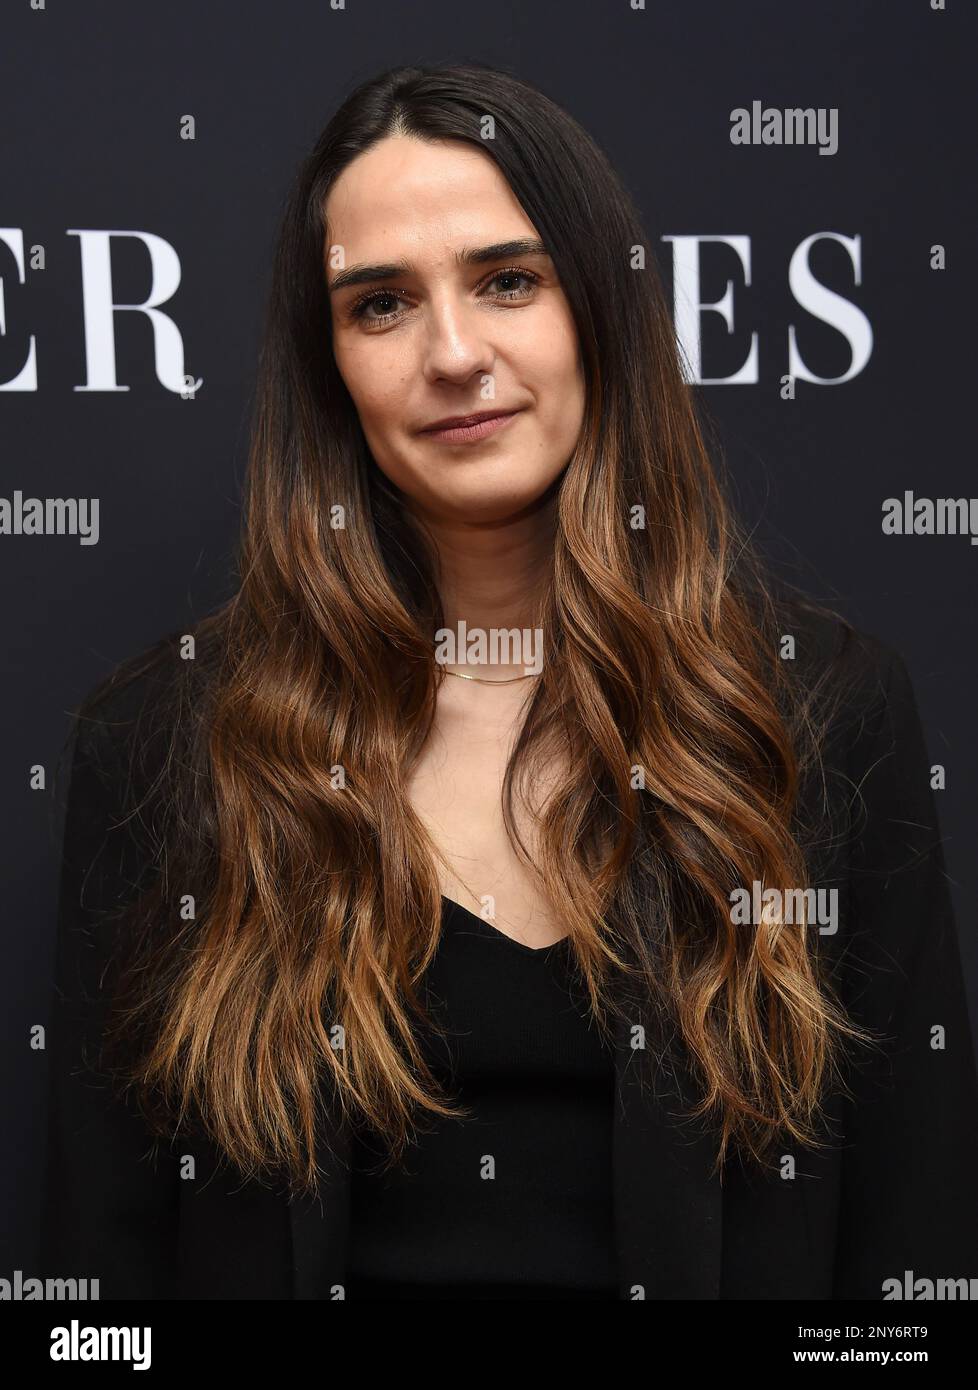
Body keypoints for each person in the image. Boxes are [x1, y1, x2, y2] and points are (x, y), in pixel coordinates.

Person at [41, 62, 978, 1301]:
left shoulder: (818, 712)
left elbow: (911, 1242)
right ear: (327, 365)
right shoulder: (170, 739)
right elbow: (98, 1290)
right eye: (380, 304)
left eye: (508, 281)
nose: (453, 352)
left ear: (600, 306)